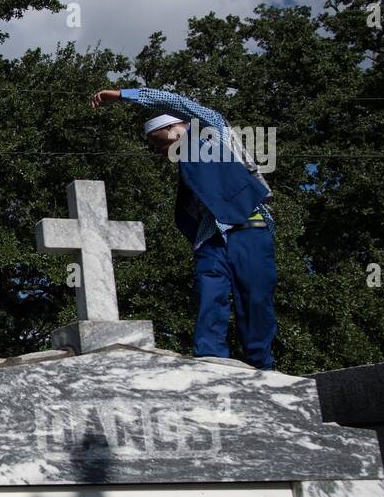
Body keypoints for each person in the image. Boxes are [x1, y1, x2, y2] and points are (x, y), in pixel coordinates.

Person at [91, 88, 276, 369]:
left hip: (248, 225)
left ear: (177, 125)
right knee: (209, 297)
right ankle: (210, 360)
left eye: (157, 140)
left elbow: (174, 100)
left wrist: (121, 95)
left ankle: (263, 365)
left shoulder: (214, 131)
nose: (157, 149)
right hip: (210, 237)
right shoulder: (190, 166)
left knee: (255, 299)